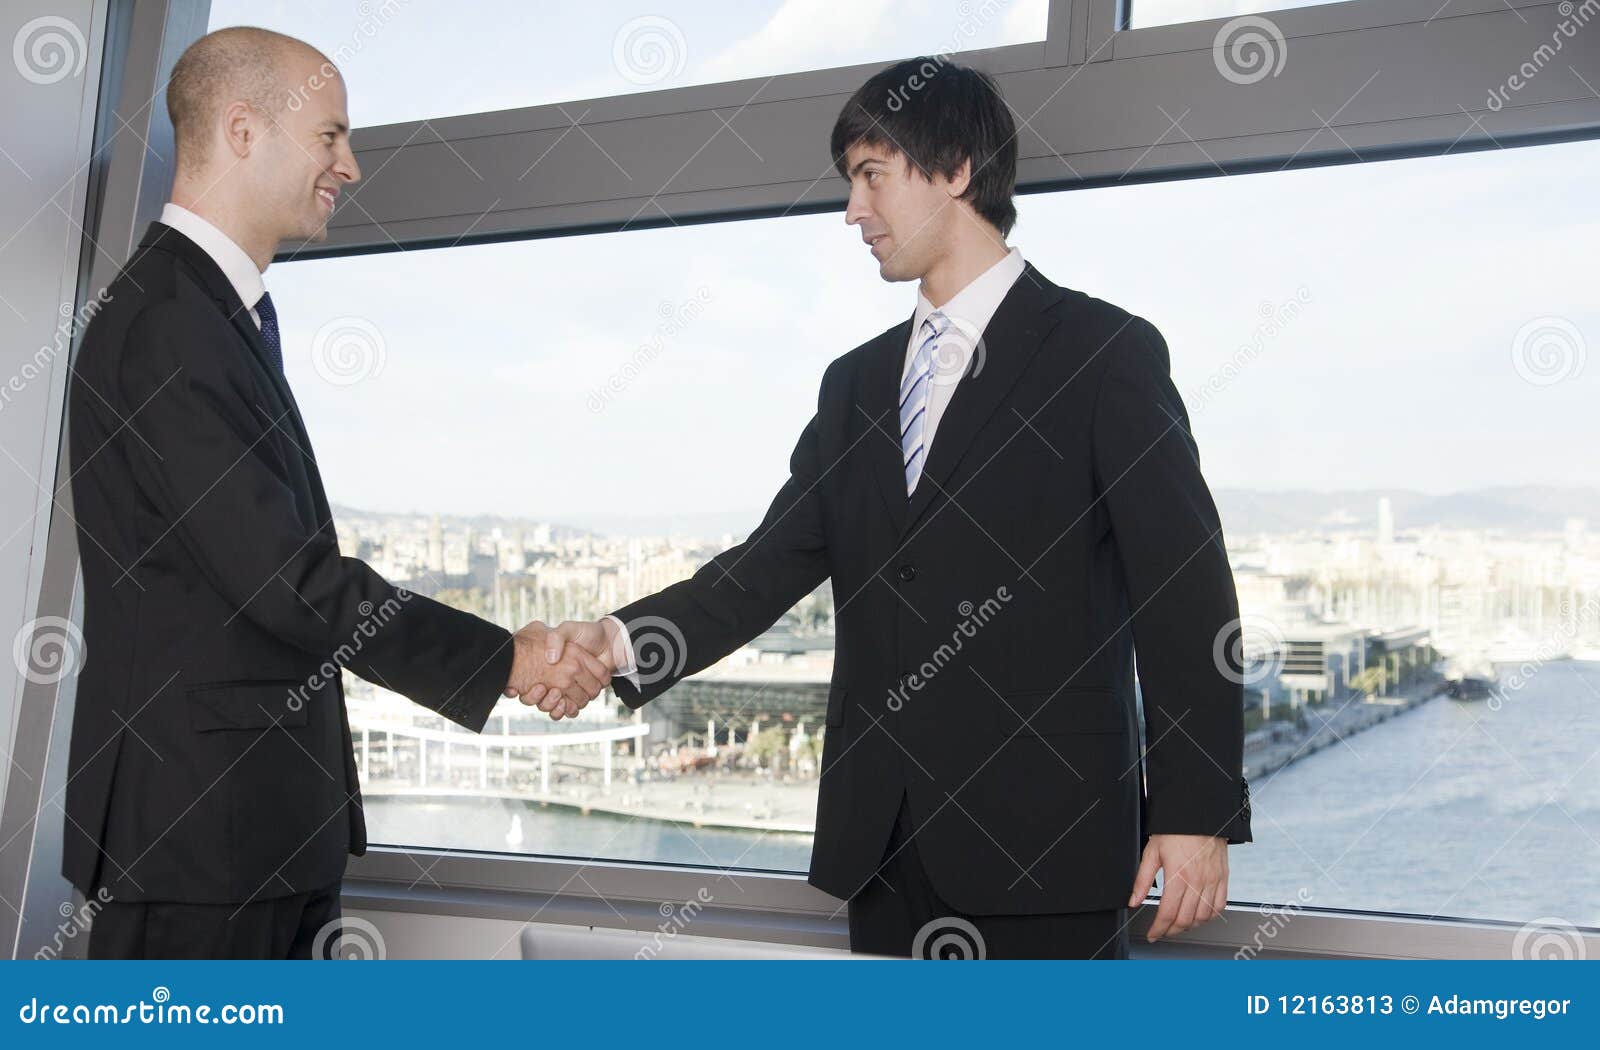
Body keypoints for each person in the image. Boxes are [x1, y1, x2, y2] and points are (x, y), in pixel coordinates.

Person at [540, 57, 1252, 959]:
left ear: (955, 170)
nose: (852, 210)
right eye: (851, 182)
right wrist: (612, 645)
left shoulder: (1105, 354)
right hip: (883, 845)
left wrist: (1196, 815)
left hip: (1050, 847)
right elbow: (762, 572)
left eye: (871, 175)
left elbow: (1185, 594)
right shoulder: (856, 385)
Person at [63, 27, 607, 959]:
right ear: (241, 130)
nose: (349, 166)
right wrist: (504, 661)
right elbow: (291, 581)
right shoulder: (170, 324)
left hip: (244, 834)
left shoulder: (206, 312)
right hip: (204, 843)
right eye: (330, 136)